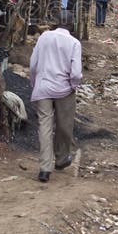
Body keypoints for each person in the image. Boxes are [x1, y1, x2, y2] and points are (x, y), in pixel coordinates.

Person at [29, 11, 82, 183]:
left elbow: (33, 64)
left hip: (43, 87)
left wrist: (34, 83)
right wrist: (73, 86)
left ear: (56, 22)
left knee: (44, 126)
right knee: (64, 125)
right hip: (64, 89)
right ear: (72, 25)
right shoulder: (74, 43)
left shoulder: (44, 37)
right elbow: (75, 73)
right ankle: (61, 159)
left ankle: (45, 169)